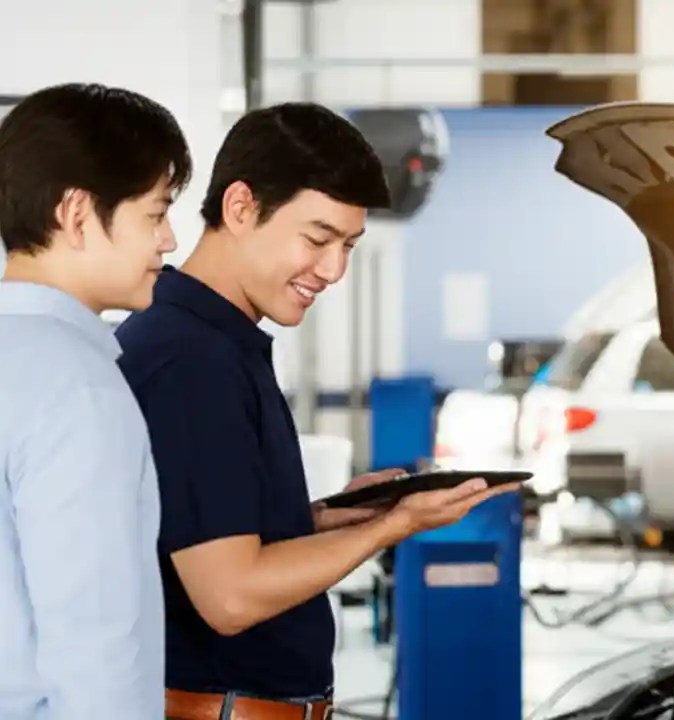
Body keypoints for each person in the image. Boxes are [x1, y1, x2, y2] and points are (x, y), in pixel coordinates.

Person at [114, 102, 513, 720]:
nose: (333, 270)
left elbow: (201, 533)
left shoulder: (213, 343)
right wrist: (393, 526)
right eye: (318, 238)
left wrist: (331, 518)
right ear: (241, 207)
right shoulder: (192, 360)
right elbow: (231, 595)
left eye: (349, 245)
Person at [0, 83, 191, 719]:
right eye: (155, 213)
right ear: (77, 214)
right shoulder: (76, 386)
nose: (167, 241)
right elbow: (95, 647)